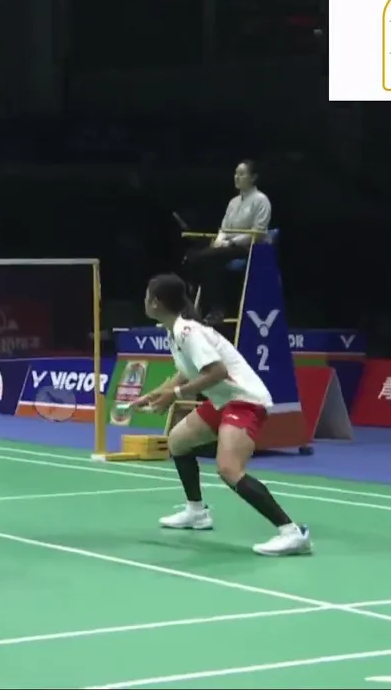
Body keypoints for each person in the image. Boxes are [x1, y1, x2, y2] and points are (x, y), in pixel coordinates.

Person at [133, 273, 310, 557]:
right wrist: (154, 394)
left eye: (147, 295)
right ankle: (196, 512)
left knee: (229, 469)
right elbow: (185, 373)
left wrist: (174, 395)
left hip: (245, 401)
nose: (144, 300)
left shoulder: (187, 332)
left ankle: (292, 533)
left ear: (156, 302)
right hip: (223, 401)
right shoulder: (174, 332)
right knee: (177, 441)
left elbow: (217, 372)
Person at [182, 160, 272, 323]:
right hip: (226, 248)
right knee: (192, 256)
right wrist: (219, 240)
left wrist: (231, 243)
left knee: (206, 257)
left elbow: (258, 232)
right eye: (236, 173)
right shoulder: (233, 202)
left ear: (253, 177)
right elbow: (224, 228)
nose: (237, 177)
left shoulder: (261, 200)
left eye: (241, 174)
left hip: (248, 248)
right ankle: (208, 308)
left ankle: (215, 309)